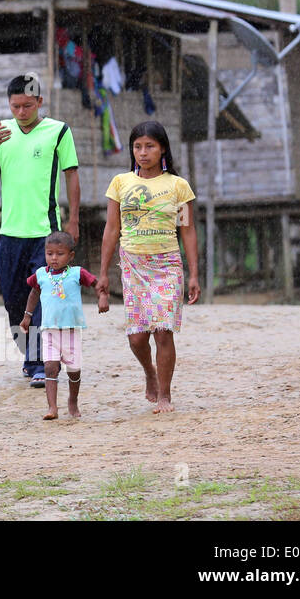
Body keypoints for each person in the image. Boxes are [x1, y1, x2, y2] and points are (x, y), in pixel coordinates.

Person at [0, 75, 80, 388]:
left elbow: (72, 175)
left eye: (27, 105)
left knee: (43, 296)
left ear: (40, 103)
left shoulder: (58, 131)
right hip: (10, 232)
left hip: (44, 232)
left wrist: (73, 219)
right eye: (15, 106)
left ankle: (39, 363)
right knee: (12, 298)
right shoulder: (2, 132)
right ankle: (30, 355)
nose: (21, 111)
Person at [97, 121, 200, 413]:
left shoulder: (178, 186)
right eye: (138, 147)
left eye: (150, 146)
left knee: (162, 331)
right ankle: (149, 372)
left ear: (163, 148)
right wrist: (103, 273)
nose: (143, 152)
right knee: (137, 336)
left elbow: (188, 231)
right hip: (132, 264)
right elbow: (111, 229)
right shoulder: (120, 183)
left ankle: (165, 395)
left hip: (167, 263)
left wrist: (194, 274)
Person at [19, 232, 106, 420]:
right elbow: (34, 294)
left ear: (71, 256)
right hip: (49, 330)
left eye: (60, 254)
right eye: (49, 253)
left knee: (74, 370)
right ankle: (52, 407)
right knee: (50, 366)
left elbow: (97, 284)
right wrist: (27, 316)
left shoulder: (77, 273)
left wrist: (103, 298)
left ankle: (73, 401)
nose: (54, 258)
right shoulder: (41, 274)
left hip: (71, 330)